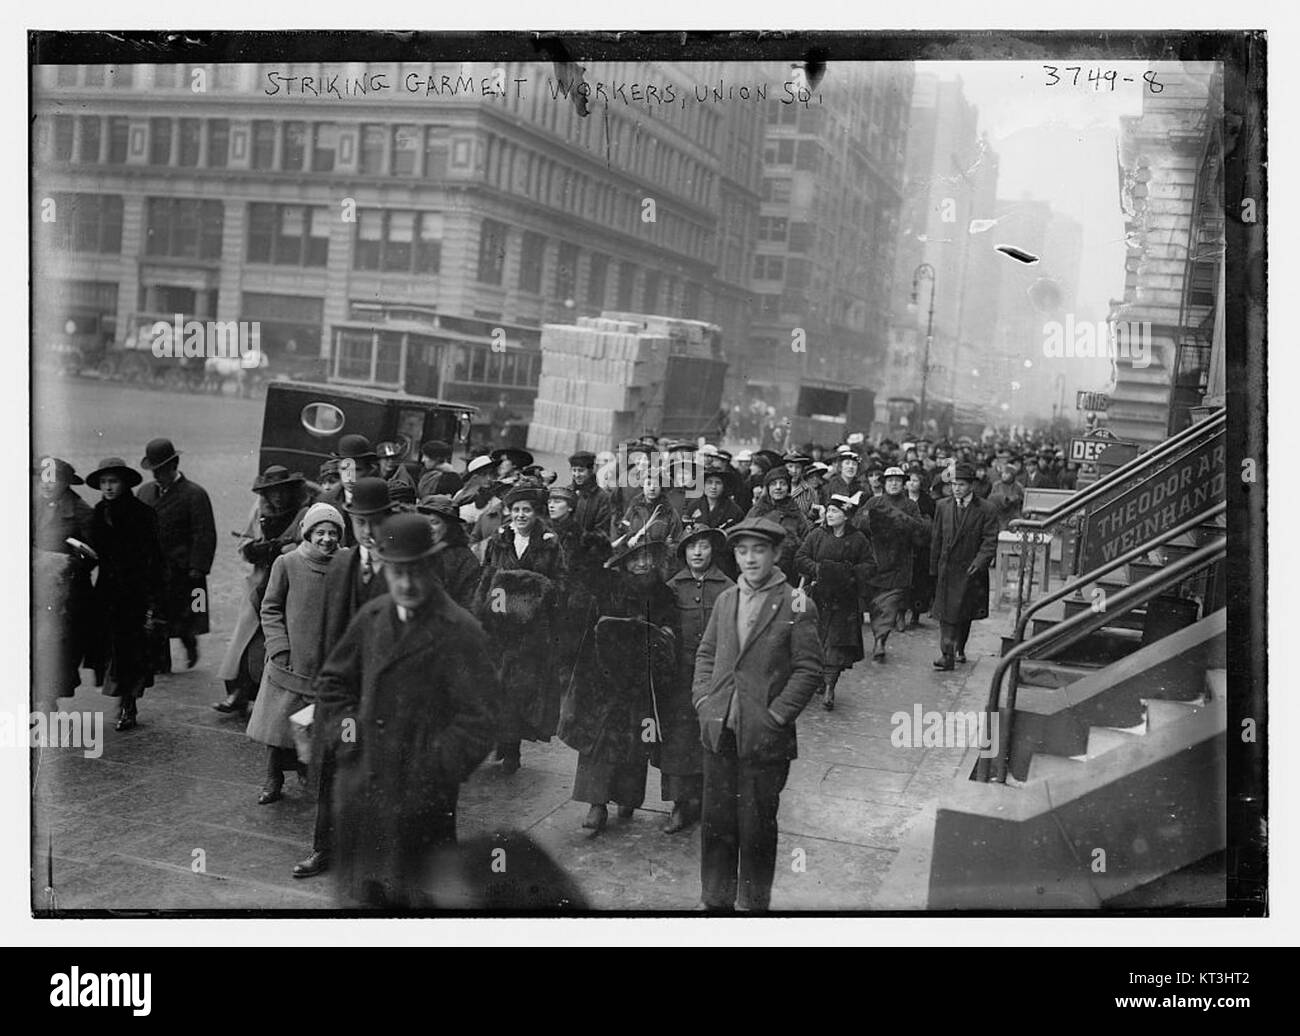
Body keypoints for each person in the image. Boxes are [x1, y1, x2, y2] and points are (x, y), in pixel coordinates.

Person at [313, 513, 502, 908]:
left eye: (417, 570)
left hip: (421, 801)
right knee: (364, 898)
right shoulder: (373, 616)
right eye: (398, 572)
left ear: (432, 566)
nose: (408, 583)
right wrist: (349, 741)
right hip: (363, 788)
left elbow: (481, 718)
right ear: (386, 568)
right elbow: (333, 684)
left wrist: (433, 769)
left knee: (418, 900)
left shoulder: (459, 630)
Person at [692, 517, 823, 912]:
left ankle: (751, 905)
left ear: (777, 554)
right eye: (742, 551)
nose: (750, 559)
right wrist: (703, 701)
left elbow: (808, 669)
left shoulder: (796, 604)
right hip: (719, 731)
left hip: (763, 738)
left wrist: (777, 716)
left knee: (756, 828)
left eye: (759, 550)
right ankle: (714, 900)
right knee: (716, 823)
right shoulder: (726, 599)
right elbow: (706, 654)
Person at [292, 477, 397, 880]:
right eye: (359, 521)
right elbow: (327, 633)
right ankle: (324, 848)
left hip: (387, 698)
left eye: (375, 521)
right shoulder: (340, 565)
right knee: (334, 769)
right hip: (343, 696)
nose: (367, 531)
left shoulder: (406, 568)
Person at [560, 539, 676, 833]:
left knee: (635, 740)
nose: (641, 564)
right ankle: (596, 804)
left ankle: (627, 798)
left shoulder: (663, 594)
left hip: (640, 679)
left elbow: (668, 632)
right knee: (598, 739)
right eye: (634, 558)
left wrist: (661, 636)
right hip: (603, 676)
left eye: (647, 557)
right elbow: (589, 630)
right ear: (623, 562)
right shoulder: (607, 588)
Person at [246, 503, 344, 805]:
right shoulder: (287, 563)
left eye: (332, 533)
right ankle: (273, 777)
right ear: (308, 533)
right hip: (289, 661)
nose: (326, 539)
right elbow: (270, 606)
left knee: (311, 722)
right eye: (320, 532)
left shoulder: (345, 564)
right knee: (277, 726)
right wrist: (279, 647)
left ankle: (305, 769)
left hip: (327, 661)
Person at [475, 484, 564, 774]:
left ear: (535, 513)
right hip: (499, 627)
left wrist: (540, 593)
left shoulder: (549, 542)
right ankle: (503, 741)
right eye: (516, 510)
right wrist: (482, 611)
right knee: (497, 686)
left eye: (526, 510)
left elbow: (561, 581)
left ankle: (512, 748)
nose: (521, 515)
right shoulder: (499, 540)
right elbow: (486, 577)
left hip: (532, 630)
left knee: (520, 690)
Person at [214, 467, 309, 716]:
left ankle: (274, 699)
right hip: (260, 583)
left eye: (283, 490)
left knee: (277, 643)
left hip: (291, 582)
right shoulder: (260, 510)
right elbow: (243, 544)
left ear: (292, 490)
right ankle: (237, 692)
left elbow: (306, 545)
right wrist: (258, 548)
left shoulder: (304, 512)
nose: (277, 497)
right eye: (272, 491)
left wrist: (288, 547)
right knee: (245, 640)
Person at [84, 458, 165, 731]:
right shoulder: (98, 512)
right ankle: (121, 697)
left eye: (113, 481)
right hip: (106, 592)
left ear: (125, 483)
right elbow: (95, 551)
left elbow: (154, 557)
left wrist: (153, 598)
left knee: (130, 650)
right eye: (104, 482)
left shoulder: (142, 513)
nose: (108, 487)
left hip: (134, 592)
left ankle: (128, 706)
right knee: (110, 648)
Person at [662, 528, 733, 832]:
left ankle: (709, 802)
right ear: (684, 553)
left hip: (716, 677)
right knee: (679, 739)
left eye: (704, 546)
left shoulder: (728, 588)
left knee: (713, 735)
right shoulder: (672, 587)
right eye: (692, 547)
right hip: (680, 677)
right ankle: (679, 803)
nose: (698, 552)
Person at [137, 438, 217, 673]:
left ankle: (190, 642)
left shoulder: (194, 494)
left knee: (188, 615)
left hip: (184, 570)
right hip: (154, 569)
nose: (157, 475)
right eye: (154, 470)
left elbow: (204, 533)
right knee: (156, 618)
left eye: (161, 469)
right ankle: (160, 664)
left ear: (174, 465)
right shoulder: (144, 493)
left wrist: (198, 568)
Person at [796, 493, 874, 710]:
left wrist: (848, 574)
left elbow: (869, 566)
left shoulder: (858, 539)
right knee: (817, 641)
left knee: (836, 646)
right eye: (828, 511)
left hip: (844, 602)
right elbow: (800, 558)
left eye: (834, 511)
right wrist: (819, 570)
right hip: (817, 597)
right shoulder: (817, 535)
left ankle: (830, 686)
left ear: (846, 516)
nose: (829, 515)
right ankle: (819, 679)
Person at [33, 457, 96, 708]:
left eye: (53, 480)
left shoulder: (80, 511)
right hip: (38, 586)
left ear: (66, 483)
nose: (46, 485)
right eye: (43, 479)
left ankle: (48, 698)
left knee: (56, 643)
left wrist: (62, 564)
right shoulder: (36, 506)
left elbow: (93, 554)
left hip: (68, 593)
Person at [930, 463, 1000, 670]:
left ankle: (959, 648)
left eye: (961, 484)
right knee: (946, 615)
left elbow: (990, 541)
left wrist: (979, 563)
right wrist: (933, 567)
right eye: (953, 484)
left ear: (972, 486)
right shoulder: (943, 506)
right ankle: (947, 655)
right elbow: (937, 537)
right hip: (947, 568)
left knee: (963, 614)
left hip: (971, 569)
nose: (956, 488)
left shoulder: (986, 509)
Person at [858, 466, 931, 661]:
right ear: (884, 483)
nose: (894, 483)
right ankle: (878, 636)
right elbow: (860, 523)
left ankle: (880, 641)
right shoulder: (873, 502)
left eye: (898, 480)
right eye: (890, 480)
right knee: (876, 606)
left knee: (889, 605)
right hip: (876, 562)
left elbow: (920, 530)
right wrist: (876, 522)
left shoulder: (910, 506)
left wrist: (896, 518)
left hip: (900, 563)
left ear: (903, 483)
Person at [746, 466, 811, 583]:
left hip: (788, 574)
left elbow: (806, 545)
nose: (778, 488)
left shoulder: (796, 514)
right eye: (773, 484)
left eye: (783, 484)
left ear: (788, 488)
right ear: (767, 488)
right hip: (759, 571)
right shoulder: (756, 512)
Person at [418, 495, 480, 611]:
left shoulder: (464, 559)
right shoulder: (411, 553)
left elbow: (470, 603)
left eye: (434, 522)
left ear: (449, 526)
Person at [613, 469, 683, 554]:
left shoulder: (669, 511)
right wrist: (629, 540)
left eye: (656, 485)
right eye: (648, 484)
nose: (652, 488)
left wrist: (668, 548)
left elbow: (677, 540)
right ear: (643, 485)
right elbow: (621, 533)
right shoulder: (634, 509)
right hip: (636, 560)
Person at [905, 467, 937, 626]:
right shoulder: (900, 499)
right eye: (909, 480)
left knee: (919, 581)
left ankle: (916, 614)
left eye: (915, 480)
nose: (912, 483)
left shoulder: (928, 502)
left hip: (922, 546)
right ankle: (900, 613)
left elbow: (932, 524)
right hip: (904, 546)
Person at [565, 450, 613, 535]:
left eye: (581, 470)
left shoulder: (602, 497)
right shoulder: (567, 492)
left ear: (591, 471)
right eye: (574, 470)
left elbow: (602, 532)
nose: (577, 475)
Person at [987, 461, 1026, 531]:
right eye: (1003, 473)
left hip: (1014, 514)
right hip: (1000, 515)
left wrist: (1016, 499)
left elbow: (1023, 502)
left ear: (1012, 475)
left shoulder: (1018, 487)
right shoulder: (996, 485)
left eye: (1007, 473)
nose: (1004, 475)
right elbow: (991, 499)